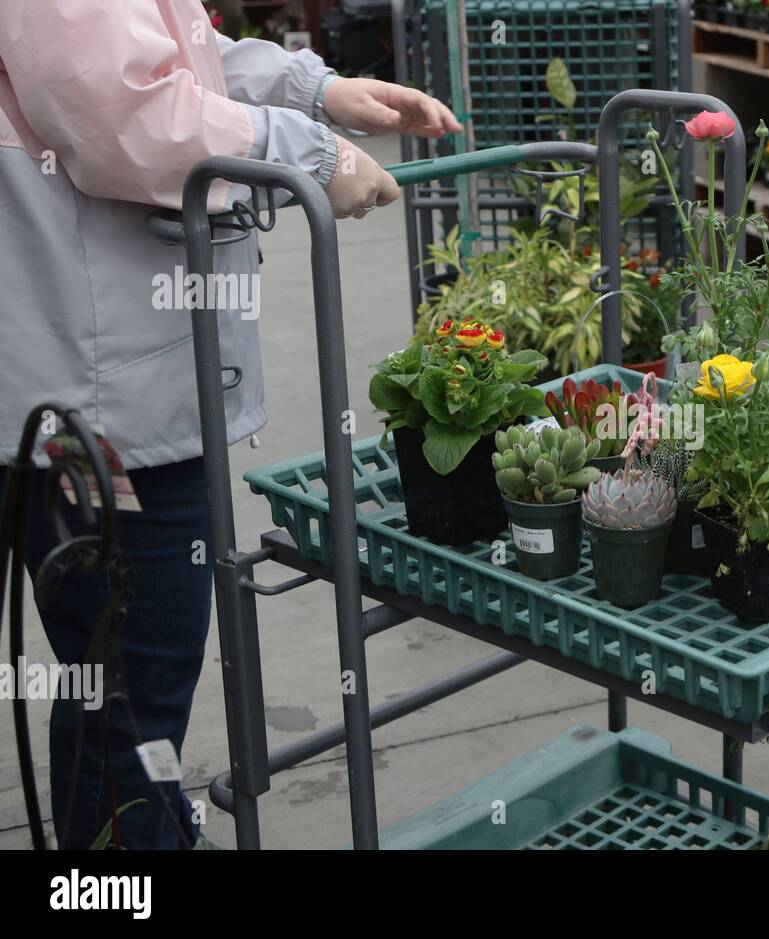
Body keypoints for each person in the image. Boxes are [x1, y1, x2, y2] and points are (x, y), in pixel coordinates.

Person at [0, 0, 460, 848]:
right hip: (102, 401)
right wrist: (310, 155)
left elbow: (179, 56)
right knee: (130, 685)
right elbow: (123, 114)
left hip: (110, 377)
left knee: (124, 682)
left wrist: (316, 89)